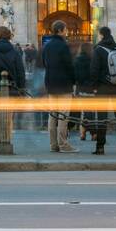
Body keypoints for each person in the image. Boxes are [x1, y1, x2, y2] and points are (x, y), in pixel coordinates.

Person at [90, 26, 116, 154]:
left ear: (101, 35)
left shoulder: (98, 50)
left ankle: (100, 147)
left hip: (103, 88)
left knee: (102, 118)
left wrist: (94, 87)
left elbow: (94, 71)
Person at [42, 21, 77, 153]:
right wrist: (73, 82)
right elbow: (69, 66)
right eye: (66, 29)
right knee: (63, 115)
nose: (67, 31)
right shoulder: (63, 46)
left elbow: (45, 64)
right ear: (61, 30)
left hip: (51, 83)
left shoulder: (47, 46)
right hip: (64, 84)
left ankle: (53, 144)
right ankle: (63, 144)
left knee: (52, 116)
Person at [73, 41, 94, 140]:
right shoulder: (93, 60)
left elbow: (75, 76)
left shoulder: (77, 60)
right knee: (91, 111)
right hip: (91, 88)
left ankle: (82, 132)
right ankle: (93, 133)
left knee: (83, 111)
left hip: (80, 88)